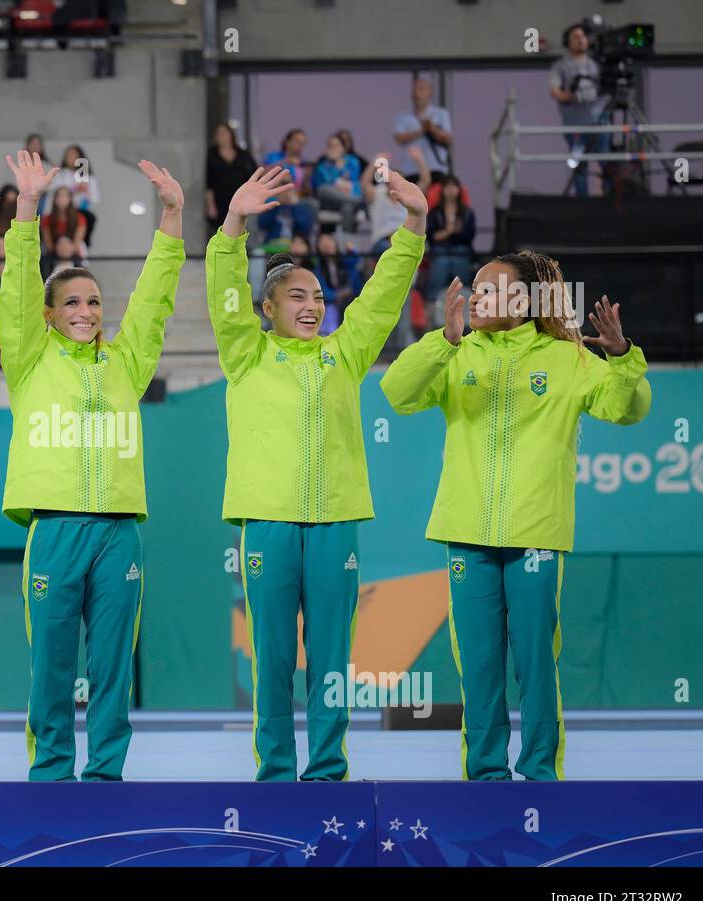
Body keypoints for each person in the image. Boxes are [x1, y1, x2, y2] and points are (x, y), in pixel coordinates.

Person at [381, 255, 651, 781]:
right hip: (466, 538)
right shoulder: (457, 355)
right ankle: (484, 778)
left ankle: (541, 776)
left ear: (522, 302)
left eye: (487, 289)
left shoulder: (567, 360)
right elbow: (397, 392)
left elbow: (628, 409)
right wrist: (445, 340)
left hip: (536, 539)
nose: (475, 297)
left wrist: (622, 356)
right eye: (475, 289)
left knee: (535, 666)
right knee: (479, 669)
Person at [206, 165, 426, 782]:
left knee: (331, 661)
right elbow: (224, 296)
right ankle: (276, 773)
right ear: (267, 307)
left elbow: (381, 297)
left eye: (320, 298)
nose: (312, 306)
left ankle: (327, 769)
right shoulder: (245, 354)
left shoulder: (343, 354)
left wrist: (414, 224)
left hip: (335, 525)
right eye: (297, 296)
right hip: (269, 526)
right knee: (272, 660)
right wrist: (233, 226)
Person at [0, 151, 186, 782]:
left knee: (112, 665)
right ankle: (50, 775)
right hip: (52, 531)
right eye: (71, 303)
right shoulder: (28, 360)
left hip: (117, 532)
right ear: (49, 315)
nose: (85, 310)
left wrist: (173, 215)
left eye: (94, 301)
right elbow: (19, 287)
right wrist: (27, 207)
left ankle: (106, 775)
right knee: (51, 666)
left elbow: (155, 298)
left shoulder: (126, 365)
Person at [549, 24, 607, 198]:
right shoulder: (560, 66)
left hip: (600, 124)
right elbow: (555, 92)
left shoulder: (597, 65)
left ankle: (611, 199)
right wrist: (574, 97)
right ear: (567, 41)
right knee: (578, 167)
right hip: (575, 125)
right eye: (576, 36)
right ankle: (581, 202)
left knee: (607, 163)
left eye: (583, 36)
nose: (581, 40)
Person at [424, 173, 476, 317]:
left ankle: (465, 302)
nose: (450, 190)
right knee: (442, 261)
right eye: (447, 186)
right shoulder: (435, 213)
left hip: (460, 248)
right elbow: (432, 237)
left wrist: (458, 232)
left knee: (459, 258)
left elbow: (469, 237)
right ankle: (432, 304)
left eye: (454, 186)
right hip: (440, 249)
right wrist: (447, 232)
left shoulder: (467, 213)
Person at [392, 76, 453, 185]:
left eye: (421, 89)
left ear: (430, 93)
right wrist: (422, 130)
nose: (416, 93)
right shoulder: (402, 116)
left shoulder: (441, 114)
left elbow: (448, 138)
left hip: (436, 168)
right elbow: (399, 138)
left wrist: (432, 129)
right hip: (411, 169)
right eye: (414, 89)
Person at [259, 128, 315, 243]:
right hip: (274, 197)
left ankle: (300, 244)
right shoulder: (274, 157)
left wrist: (307, 178)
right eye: (296, 141)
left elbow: (307, 189)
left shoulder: (303, 164)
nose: (299, 146)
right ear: (287, 142)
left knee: (310, 206)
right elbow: (264, 175)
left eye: (302, 143)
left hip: (296, 200)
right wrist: (286, 161)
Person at [205, 122, 256, 232]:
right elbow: (209, 182)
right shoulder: (212, 154)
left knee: (240, 226)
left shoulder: (242, 154)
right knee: (221, 228)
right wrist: (210, 205)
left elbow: (254, 172)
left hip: (240, 196)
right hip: (220, 198)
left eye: (223, 133)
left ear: (231, 135)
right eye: (218, 133)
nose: (220, 136)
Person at [310, 134, 362, 233]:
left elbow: (353, 182)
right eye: (330, 146)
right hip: (328, 201)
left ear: (343, 148)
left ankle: (346, 242)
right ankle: (358, 202)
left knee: (347, 206)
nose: (332, 149)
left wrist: (340, 172)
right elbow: (325, 186)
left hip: (346, 199)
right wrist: (335, 167)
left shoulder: (352, 162)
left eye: (335, 146)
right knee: (323, 189)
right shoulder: (322, 166)